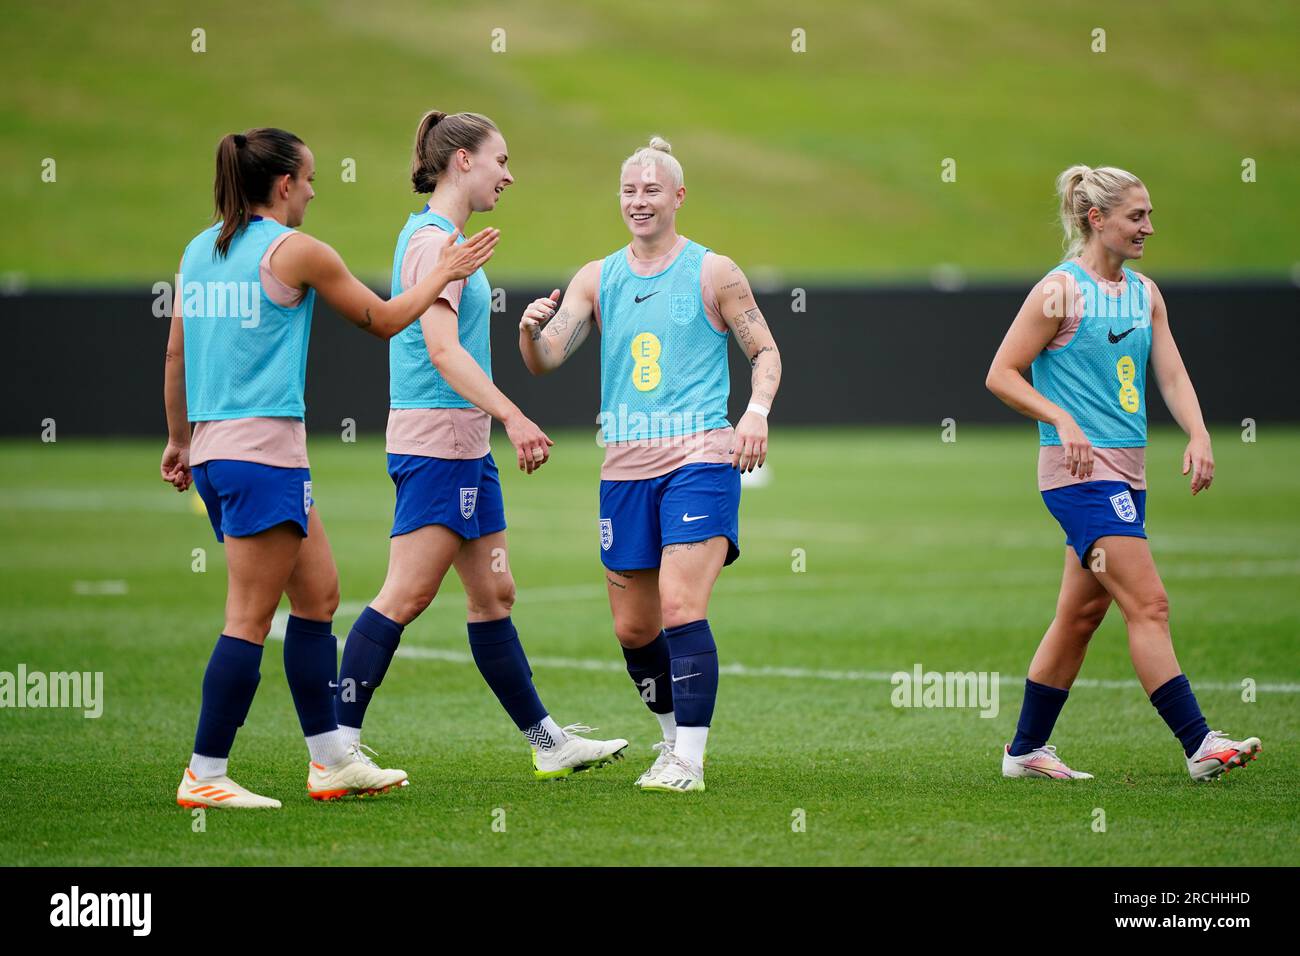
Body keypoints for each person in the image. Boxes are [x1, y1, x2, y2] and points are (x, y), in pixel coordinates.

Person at [163, 127, 498, 808]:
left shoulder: (199, 251)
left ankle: (331, 760)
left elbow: (176, 356)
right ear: (283, 185)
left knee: (318, 597)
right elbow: (381, 319)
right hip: (262, 457)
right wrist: (444, 274)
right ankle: (205, 772)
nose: (314, 190)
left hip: (218, 453)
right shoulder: (298, 253)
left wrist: (178, 441)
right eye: (309, 179)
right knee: (248, 619)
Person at [334, 110, 628, 780]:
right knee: (404, 596)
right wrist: (513, 415)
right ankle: (337, 748)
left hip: (463, 449)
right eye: (501, 160)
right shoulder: (437, 243)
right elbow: (440, 351)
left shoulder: (445, 240)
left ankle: (548, 744)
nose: (510, 174)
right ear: (462, 160)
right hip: (438, 443)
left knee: (495, 597)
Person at [517, 137, 782, 792]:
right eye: (630, 191)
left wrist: (755, 414)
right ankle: (669, 743)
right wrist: (528, 330)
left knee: (680, 605)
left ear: (678, 197)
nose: (639, 201)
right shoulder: (595, 276)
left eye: (652, 190)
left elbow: (766, 353)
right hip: (624, 468)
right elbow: (545, 359)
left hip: (700, 457)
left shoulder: (714, 271)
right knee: (634, 626)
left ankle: (690, 759)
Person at [985, 164, 1261, 782]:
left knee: (1080, 616)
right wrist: (1063, 419)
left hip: (1128, 476)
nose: (1149, 228)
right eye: (1137, 217)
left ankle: (1025, 751)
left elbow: (1171, 374)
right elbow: (1001, 373)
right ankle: (1200, 745)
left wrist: (1198, 432)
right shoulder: (1059, 290)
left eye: (1149, 215)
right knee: (1150, 603)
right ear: (1097, 219)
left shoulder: (1146, 292)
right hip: (1079, 475)